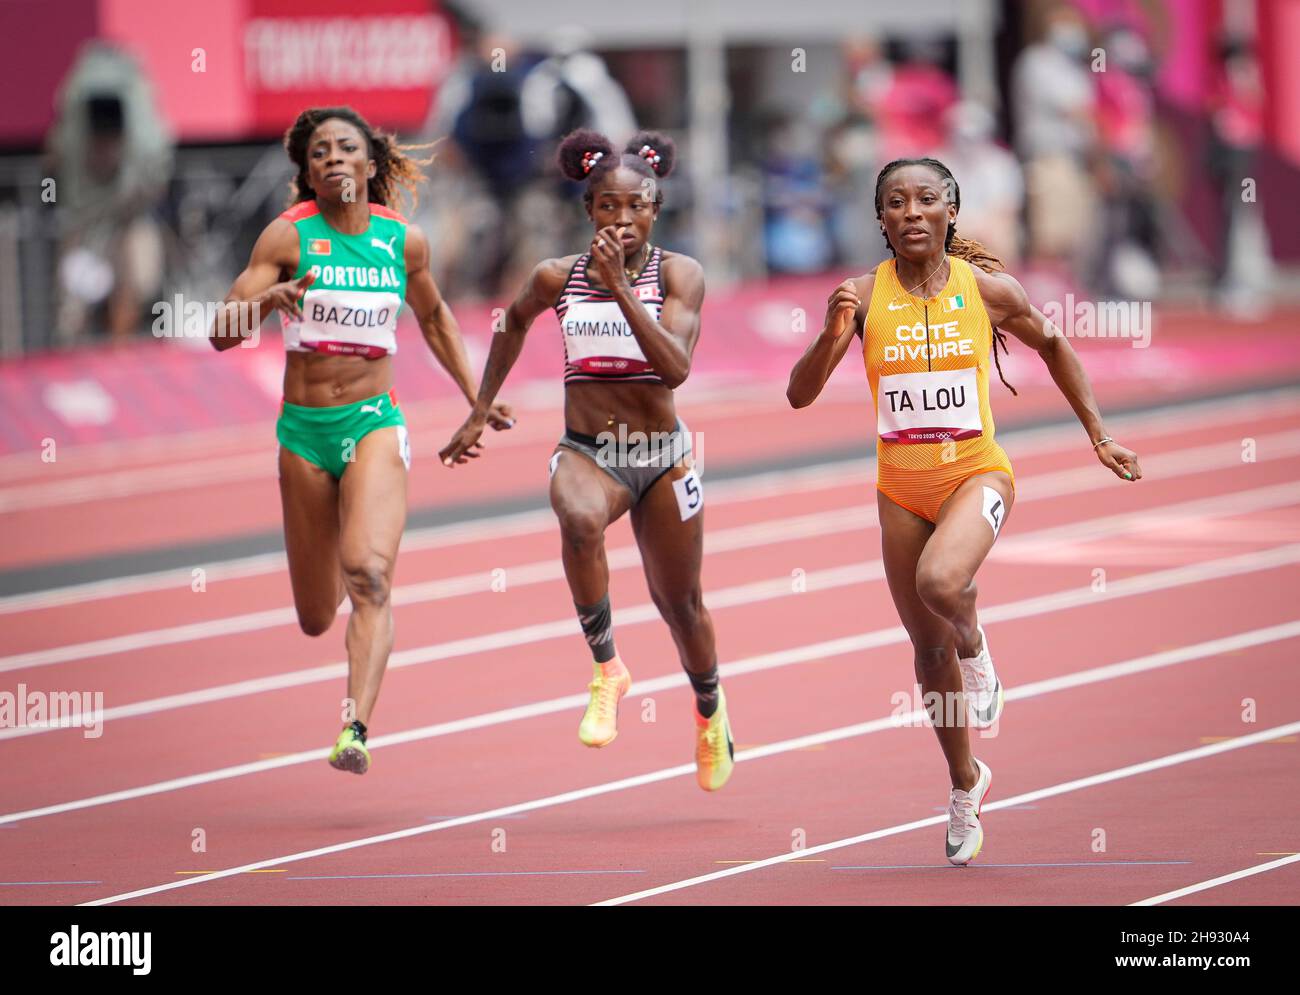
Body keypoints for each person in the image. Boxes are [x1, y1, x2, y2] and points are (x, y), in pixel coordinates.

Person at [787, 157, 1142, 864]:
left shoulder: (987, 289)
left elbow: (1056, 343)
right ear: (881, 220)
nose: (912, 211)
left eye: (926, 199)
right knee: (924, 650)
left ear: (952, 210)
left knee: (941, 585)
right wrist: (832, 338)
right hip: (899, 488)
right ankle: (964, 781)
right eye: (896, 201)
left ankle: (977, 646)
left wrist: (1099, 433)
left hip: (978, 471)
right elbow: (799, 396)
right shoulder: (858, 294)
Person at [208, 106, 513, 774]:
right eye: (320, 153)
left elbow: (433, 318)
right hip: (304, 434)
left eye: (347, 149)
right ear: (307, 172)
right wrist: (268, 300)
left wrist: (476, 398)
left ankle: (356, 728)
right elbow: (221, 331)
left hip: (373, 422)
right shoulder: (287, 238)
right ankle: (343, 570)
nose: (334, 160)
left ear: (371, 165)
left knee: (369, 575)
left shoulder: (402, 242)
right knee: (318, 613)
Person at [440, 129, 736, 791]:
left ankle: (710, 707)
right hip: (589, 451)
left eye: (635, 207)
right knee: (576, 516)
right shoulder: (556, 276)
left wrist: (620, 290)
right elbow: (510, 323)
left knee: (681, 604)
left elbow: (676, 369)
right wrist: (480, 403)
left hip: (660, 456)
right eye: (607, 206)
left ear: (655, 210)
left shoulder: (680, 275)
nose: (621, 220)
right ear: (589, 211)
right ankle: (608, 668)